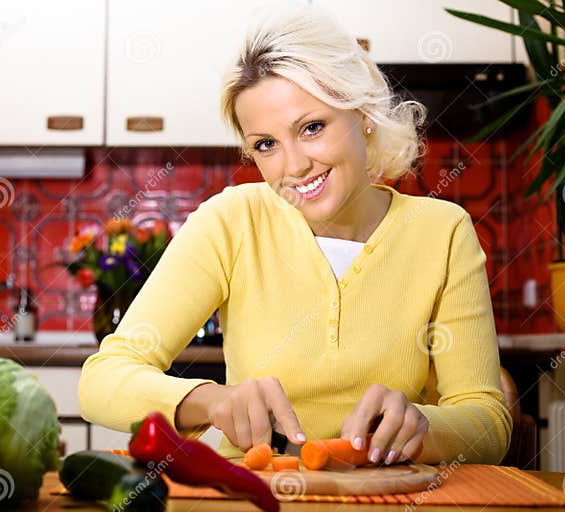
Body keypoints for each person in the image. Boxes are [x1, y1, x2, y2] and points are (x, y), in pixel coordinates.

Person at [78, 4, 512, 465]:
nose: (295, 166)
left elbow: (488, 421)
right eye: (266, 144)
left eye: (311, 128)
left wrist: (423, 427)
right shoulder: (231, 221)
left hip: (390, 491)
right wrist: (212, 400)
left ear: (362, 112)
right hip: (257, 488)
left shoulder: (441, 231)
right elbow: (102, 380)